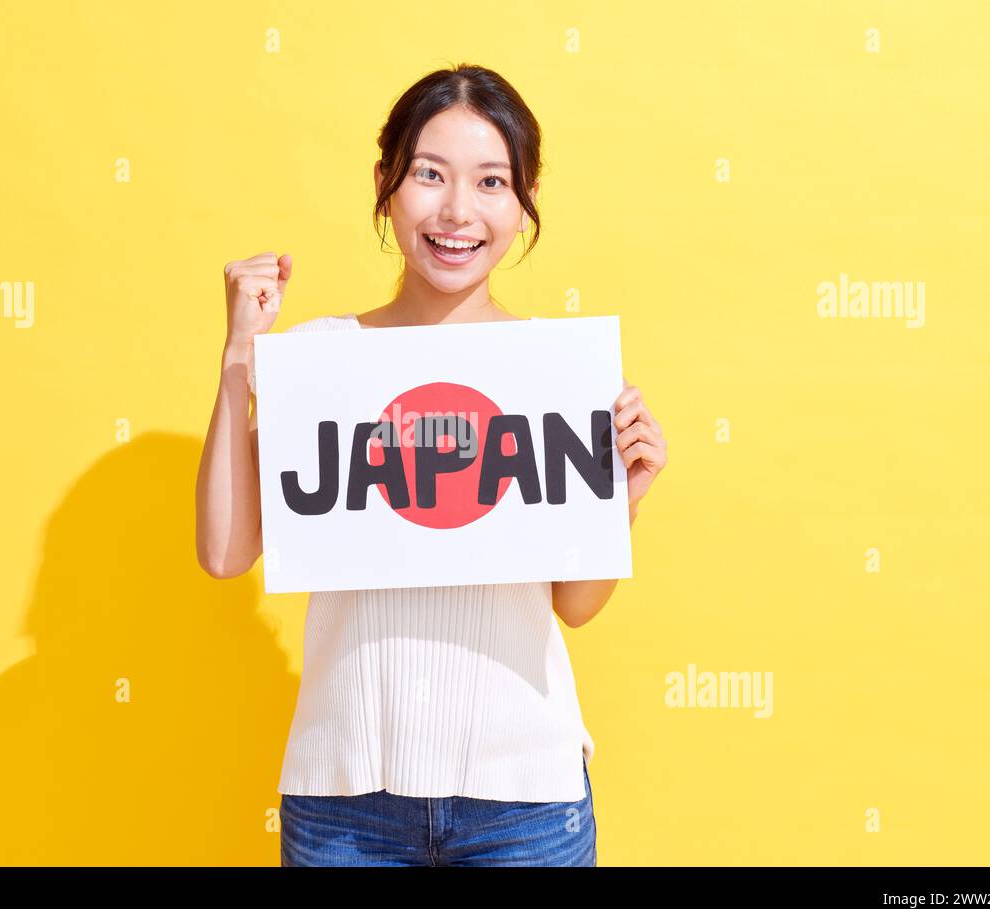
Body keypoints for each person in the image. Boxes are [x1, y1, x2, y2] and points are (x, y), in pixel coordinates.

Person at [196, 63, 667, 866]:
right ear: (385, 183)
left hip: (525, 798)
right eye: (428, 175)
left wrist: (623, 494)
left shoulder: (555, 371)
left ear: (525, 200)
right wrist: (241, 358)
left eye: (491, 181)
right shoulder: (320, 361)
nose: (457, 211)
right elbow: (225, 551)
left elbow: (576, 607)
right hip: (345, 796)